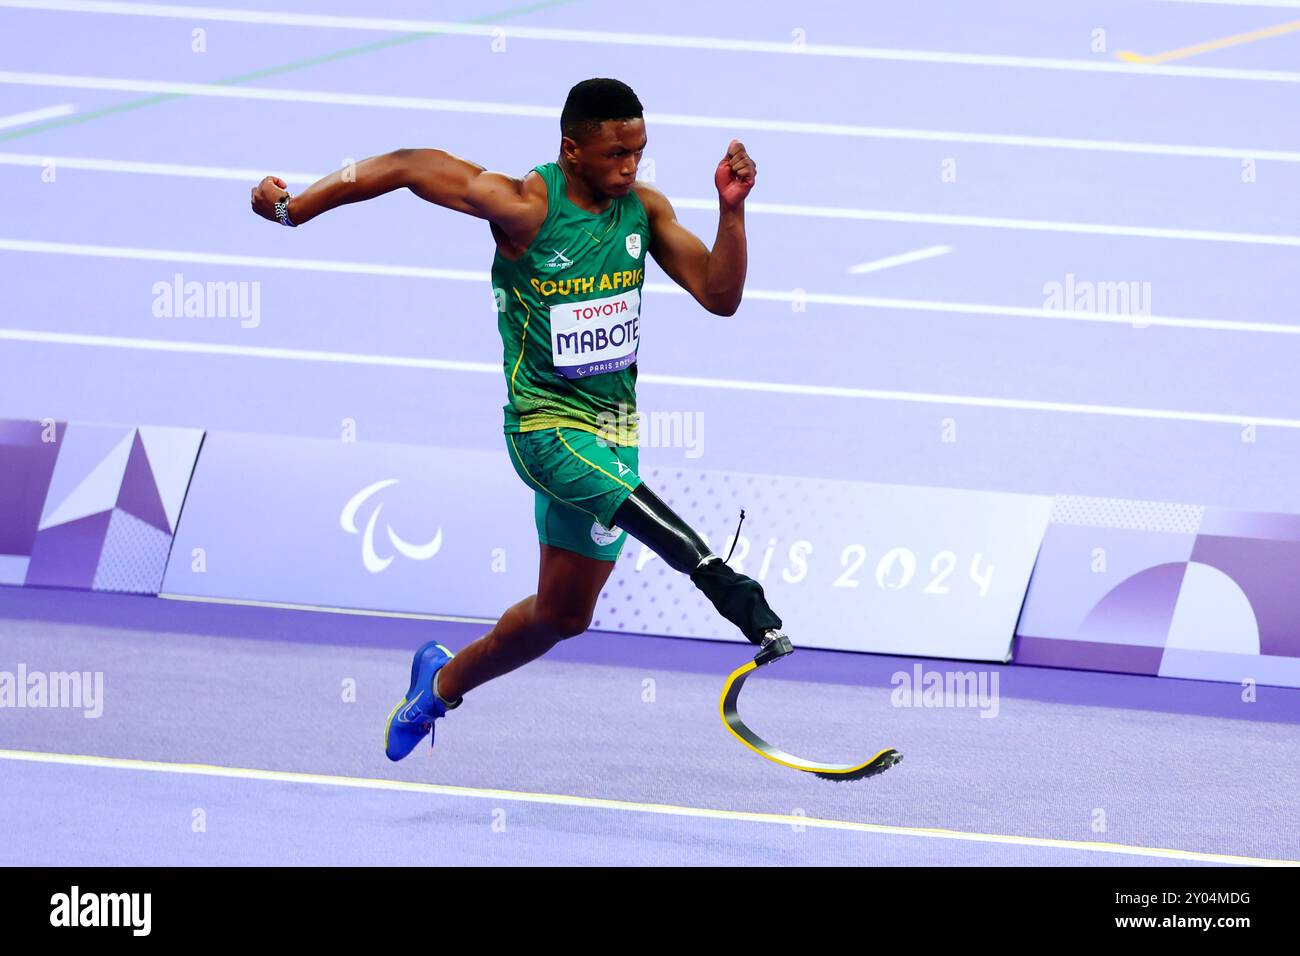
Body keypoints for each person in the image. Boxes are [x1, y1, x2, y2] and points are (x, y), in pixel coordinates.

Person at [251, 77, 789, 762]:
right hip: (543, 429)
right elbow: (411, 165)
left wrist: (731, 210)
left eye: (639, 152)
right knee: (637, 516)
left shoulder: (643, 211)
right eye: (615, 154)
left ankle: (438, 684)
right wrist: (295, 208)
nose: (630, 166)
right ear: (571, 149)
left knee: (562, 617)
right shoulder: (525, 206)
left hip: (614, 431)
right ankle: (722, 580)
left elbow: (720, 295)